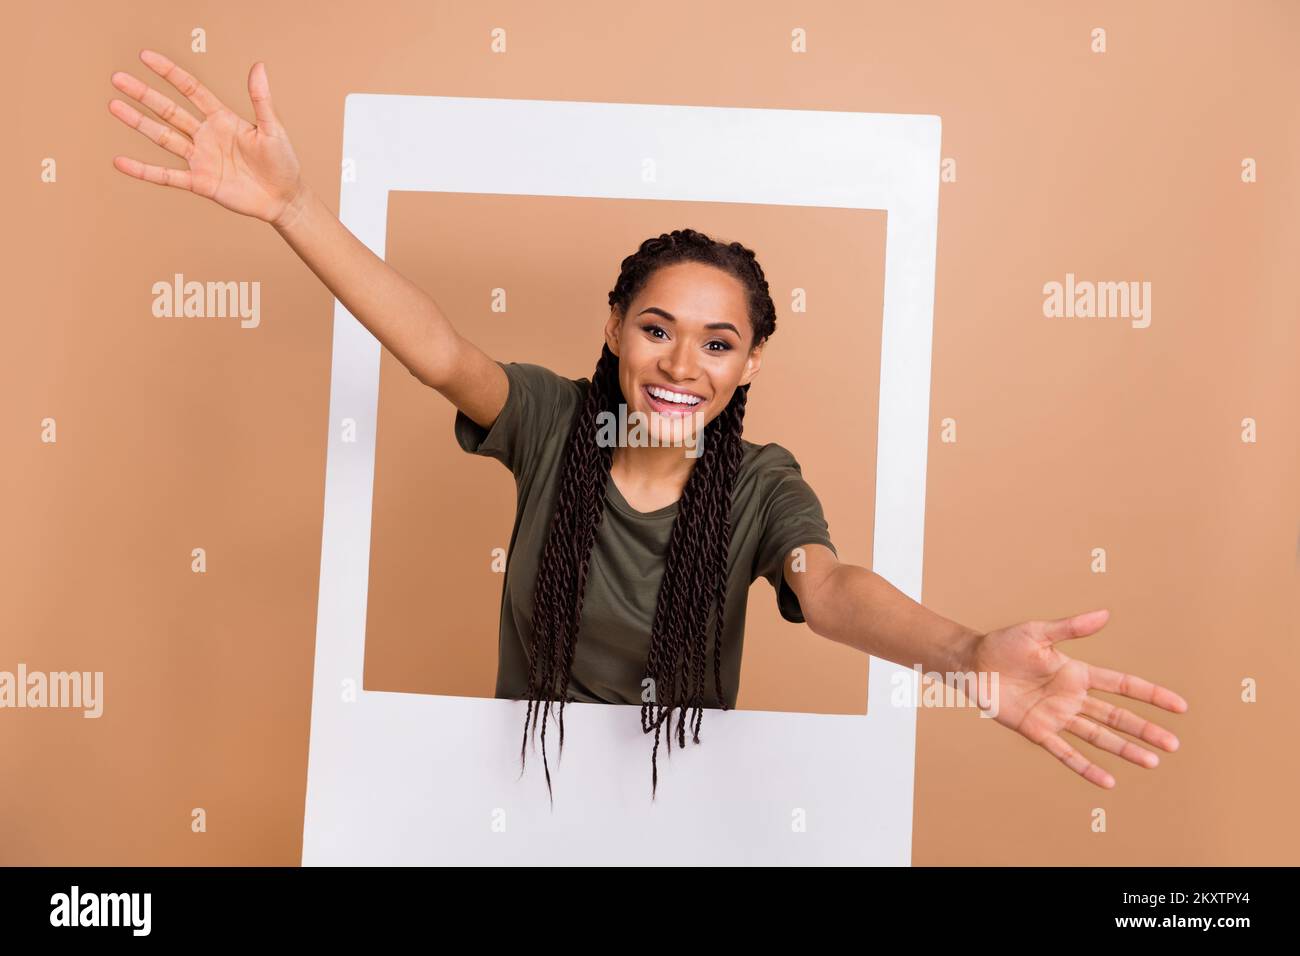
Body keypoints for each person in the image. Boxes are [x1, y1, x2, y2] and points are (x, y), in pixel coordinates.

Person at [107, 50, 1188, 801]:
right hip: (508, 801)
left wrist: (963, 654)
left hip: (680, 813)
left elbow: (829, 586)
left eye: (718, 342)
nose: (683, 362)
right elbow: (438, 349)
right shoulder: (549, 424)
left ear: (749, 361)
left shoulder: (762, 483)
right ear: (616, 330)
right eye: (658, 328)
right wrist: (294, 206)